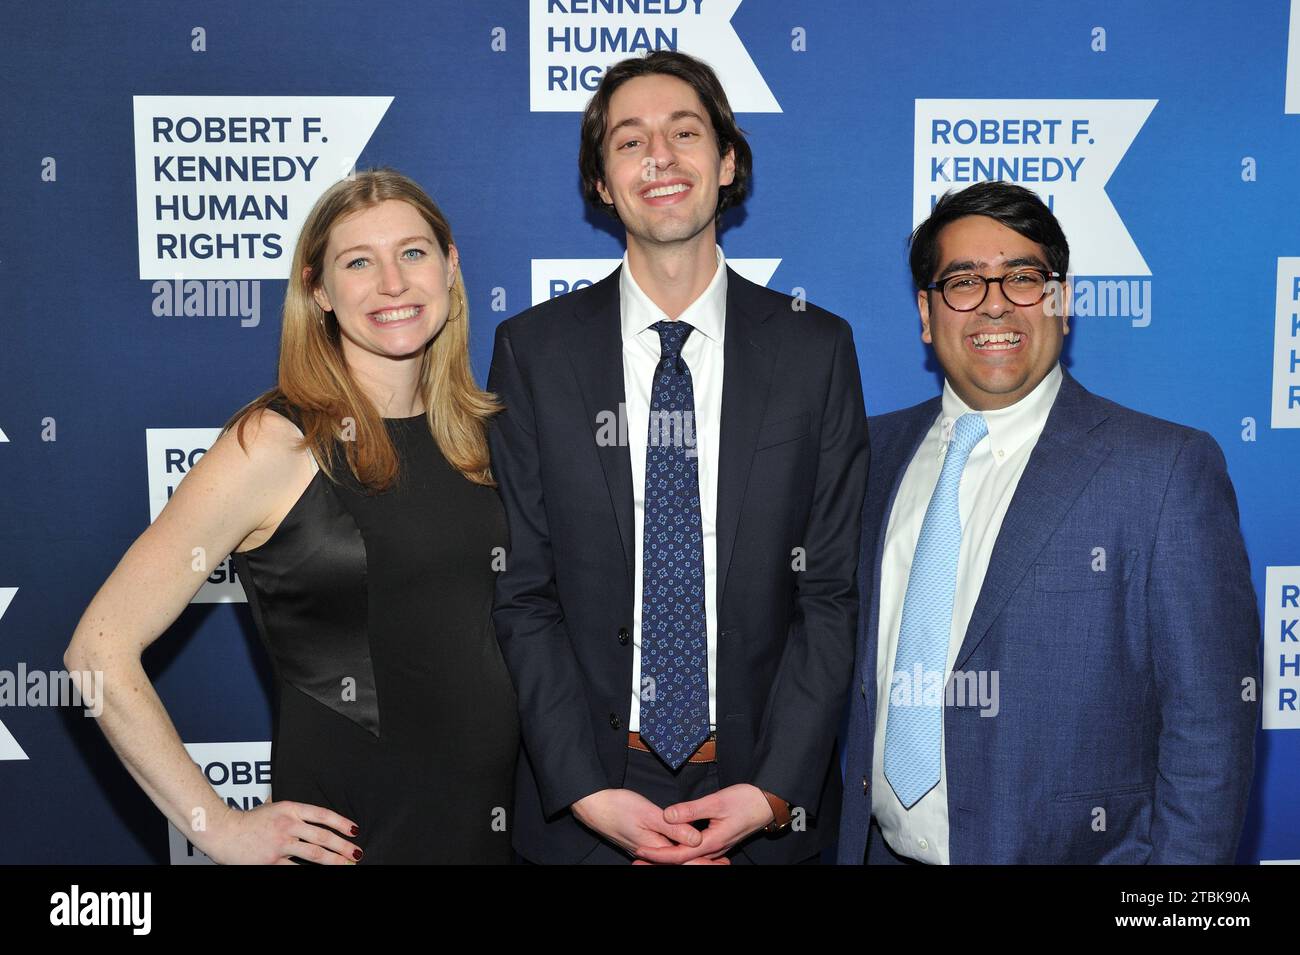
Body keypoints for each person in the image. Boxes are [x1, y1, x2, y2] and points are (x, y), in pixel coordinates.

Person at [64, 169, 518, 864]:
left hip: (495, 832)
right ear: (318, 291)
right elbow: (97, 651)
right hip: (353, 842)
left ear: (451, 267)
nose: (392, 283)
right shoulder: (277, 442)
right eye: (358, 262)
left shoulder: (483, 435)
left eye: (414, 253)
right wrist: (215, 824)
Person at [488, 50, 869, 864]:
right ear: (600, 181)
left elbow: (831, 595)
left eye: (684, 133)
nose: (658, 158)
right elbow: (522, 592)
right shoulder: (532, 352)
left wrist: (772, 792)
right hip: (584, 801)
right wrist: (584, 789)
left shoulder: (816, 349)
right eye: (629, 142)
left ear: (727, 163)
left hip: (761, 796)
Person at [837, 180, 1260, 865]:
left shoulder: (1164, 470)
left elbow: (1209, 730)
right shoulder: (868, 455)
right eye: (964, 281)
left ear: (1062, 303)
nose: (996, 302)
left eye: (1025, 278)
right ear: (926, 312)